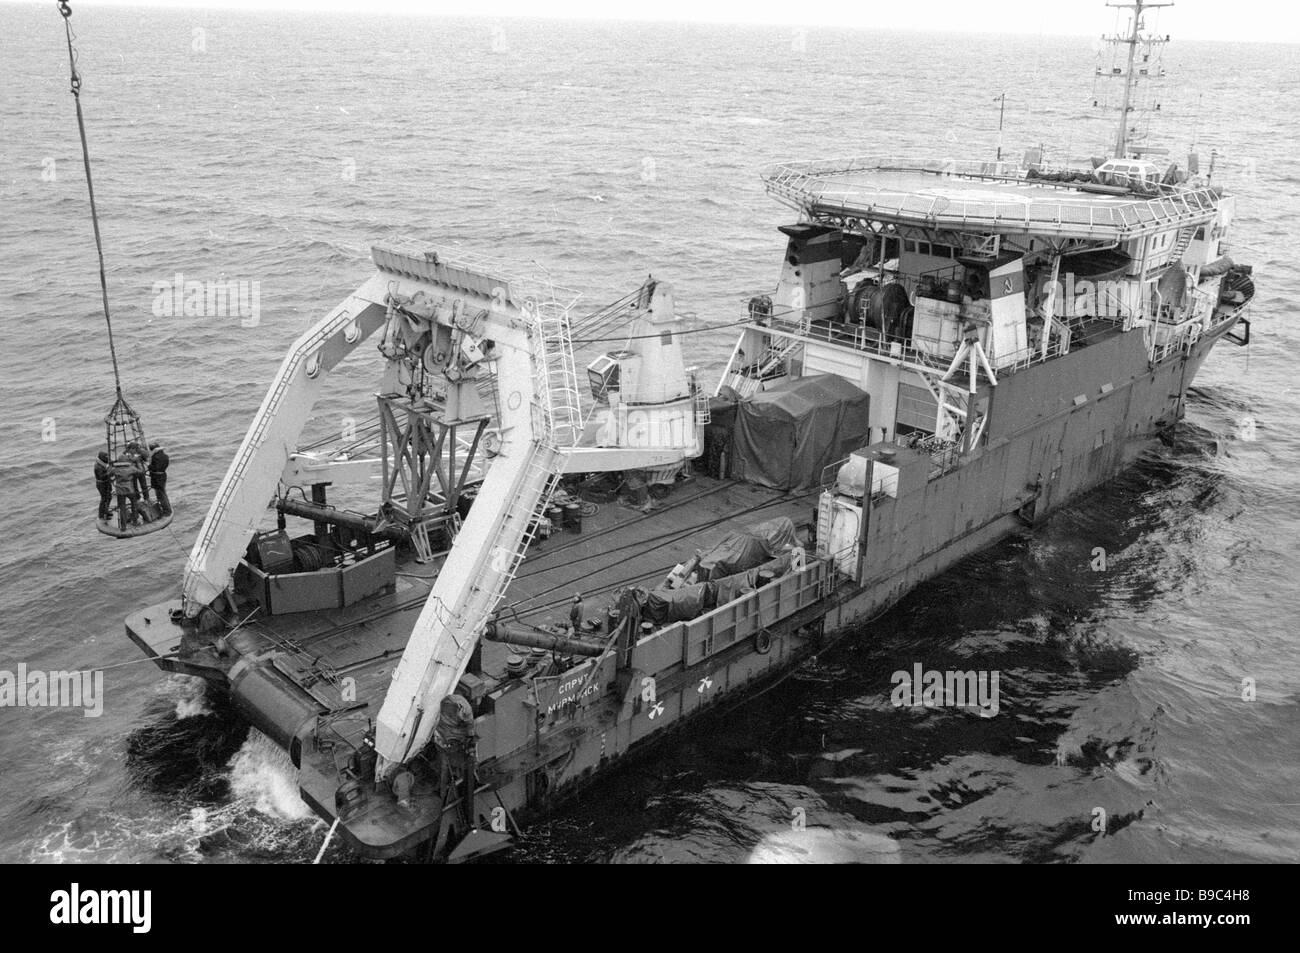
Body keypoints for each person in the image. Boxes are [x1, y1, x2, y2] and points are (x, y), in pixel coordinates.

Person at [111, 456, 140, 528]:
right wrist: (138, 463)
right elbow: (141, 472)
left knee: (122, 508)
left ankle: (123, 526)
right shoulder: (131, 468)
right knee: (134, 504)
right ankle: (135, 522)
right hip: (130, 489)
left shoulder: (115, 469)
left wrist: (111, 466)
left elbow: (108, 475)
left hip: (120, 490)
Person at [148, 441, 170, 515]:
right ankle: (167, 508)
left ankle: (166, 511)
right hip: (163, 475)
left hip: (157, 477)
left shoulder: (155, 457)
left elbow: (155, 467)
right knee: (163, 492)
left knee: (160, 494)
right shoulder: (165, 456)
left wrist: (149, 466)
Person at [93, 451, 112, 521]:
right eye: (106, 457)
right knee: (104, 498)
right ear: (102, 458)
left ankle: (106, 511)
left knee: (109, 497)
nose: (107, 459)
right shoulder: (98, 467)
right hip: (102, 484)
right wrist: (109, 473)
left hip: (106, 482)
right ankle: (101, 514)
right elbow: (101, 476)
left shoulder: (103, 464)